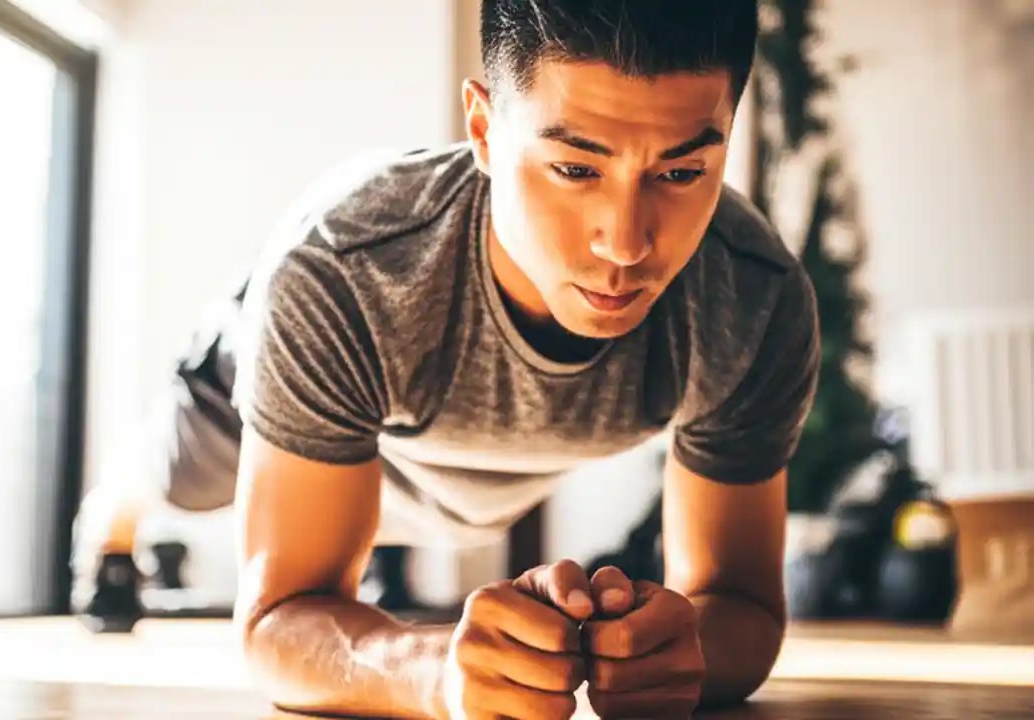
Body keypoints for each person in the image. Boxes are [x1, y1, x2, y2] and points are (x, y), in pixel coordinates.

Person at [72, 1, 820, 717]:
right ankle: (111, 514)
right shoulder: (345, 270)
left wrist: (681, 651)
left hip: (456, 472)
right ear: (484, 130)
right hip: (243, 402)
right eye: (575, 169)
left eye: (681, 174)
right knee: (179, 480)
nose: (624, 244)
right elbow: (275, 624)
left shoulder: (754, 300)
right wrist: (430, 675)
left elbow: (742, 606)